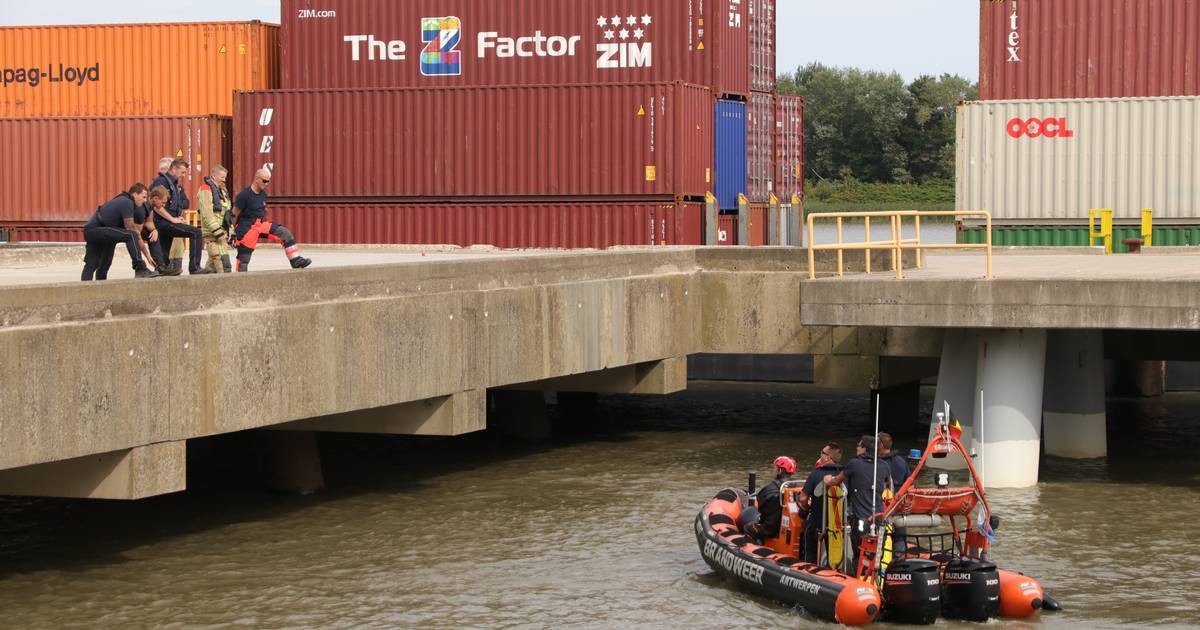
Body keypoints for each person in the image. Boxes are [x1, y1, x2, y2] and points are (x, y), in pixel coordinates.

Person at [824, 435, 892, 568]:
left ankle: (858, 578)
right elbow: (887, 486)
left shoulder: (854, 463)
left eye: (859, 445)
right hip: (878, 517)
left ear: (864, 449)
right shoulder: (884, 465)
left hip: (860, 518)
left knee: (859, 552)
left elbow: (836, 481)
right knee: (877, 553)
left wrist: (827, 481)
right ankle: (875, 578)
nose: (856, 448)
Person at [232, 169, 312, 271]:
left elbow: (262, 210)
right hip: (247, 228)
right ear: (256, 179)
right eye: (264, 181)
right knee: (244, 258)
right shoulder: (244, 195)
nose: (267, 184)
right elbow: (234, 214)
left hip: (261, 224)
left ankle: (295, 261)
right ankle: (240, 279)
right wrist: (231, 232)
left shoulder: (263, 194)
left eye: (268, 181)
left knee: (285, 233)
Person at [81, 183, 159, 280]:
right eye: (143, 197)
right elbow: (131, 230)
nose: (145, 201)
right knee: (131, 235)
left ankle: (95, 289)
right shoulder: (127, 202)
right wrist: (145, 255)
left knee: (99, 264)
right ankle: (140, 268)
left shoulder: (123, 200)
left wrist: (147, 255)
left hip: (95, 231)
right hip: (97, 230)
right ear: (134, 194)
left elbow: (133, 233)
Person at [152, 158, 211, 275]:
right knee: (196, 233)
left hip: (169, 221)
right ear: (174, 169)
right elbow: (156, 206)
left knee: (164, 249)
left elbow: (185, 202)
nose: (184, 175)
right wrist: (173, 219)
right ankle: (195, 267)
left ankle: (161, 270)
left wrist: (177, 216)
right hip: (164, 222)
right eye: (182, 172)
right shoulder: (161, 182)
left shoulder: (174, 184)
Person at [798, 442, 843, 563]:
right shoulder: (844, 475)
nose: (820, 455)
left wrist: (807, 508)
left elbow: (802, 498)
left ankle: (809, 575)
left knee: (811, 555)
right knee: (835, 558)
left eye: (822, 453)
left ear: (828, 457)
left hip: (816, 521)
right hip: (837, 525)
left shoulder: (815, 474)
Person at [878, 432, 911, 556]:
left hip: (882, 508)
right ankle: (899, 563)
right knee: (900, 538)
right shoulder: (901, 462)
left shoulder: (876, 464)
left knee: (881, 539)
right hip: (899, 506)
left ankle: (879, 567)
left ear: (880, 445)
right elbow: (909, 484)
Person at [197, 164, 234, 272]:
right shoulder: (205, 189)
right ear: (213, 176)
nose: (224, 180)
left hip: (222, 232)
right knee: (224, 264)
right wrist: (218, 231)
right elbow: (206, 213)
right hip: (213, 233)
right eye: (222, 177)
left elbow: (227, 213)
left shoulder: (223, 191)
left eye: (225, 177)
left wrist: (231, 231)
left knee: (212, 267)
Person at [754, 456, 797, 542]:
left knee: (748, 528)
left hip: (769, 529)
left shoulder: (770, 489)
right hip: (784, 528)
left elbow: (760, 507)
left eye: (774, 468)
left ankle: (756, 546)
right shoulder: (797, 488)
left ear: (780, 470)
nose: (772, 470)